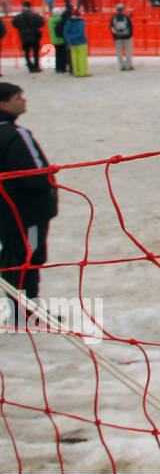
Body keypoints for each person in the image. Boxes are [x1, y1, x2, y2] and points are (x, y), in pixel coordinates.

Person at [0, 84, 58, 310]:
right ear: (3, 105)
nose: (23, 101)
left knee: (14, 253)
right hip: (27, 212)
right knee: (28, 256)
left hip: (7, 210)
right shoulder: (16, 135)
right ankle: (26, 310)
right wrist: (48, 190)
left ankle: (20, 307)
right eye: (18, 98)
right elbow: (36, 174)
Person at [12, 3, 43, 74]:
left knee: (26, 52)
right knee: (36, 52)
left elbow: (14, 24)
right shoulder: (35, 15)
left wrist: (21, 28)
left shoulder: (19, 16)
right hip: (34, 36)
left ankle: (29, 65)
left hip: (24, 37)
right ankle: (36, 66)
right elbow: (41, 23)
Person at [61, 8, 89, 77]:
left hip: (72, 43)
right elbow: (81, 33)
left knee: (74, 57)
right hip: (81, 42)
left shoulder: (68, 22)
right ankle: (82, 72)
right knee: (82, 57)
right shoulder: (81, 22)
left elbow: (65, 32)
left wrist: (69, 41)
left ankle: (76, 72)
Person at [109, 3, 134, 71]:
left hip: (117, 37)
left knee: (119, 52)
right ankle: (129, 65)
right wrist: (130, 35)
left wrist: (114, 36)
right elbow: (131, 27)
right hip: (127, 37)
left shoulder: (113, 18)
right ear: (123, 9)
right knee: (128, 52)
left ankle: (122, 66)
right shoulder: (126, 17)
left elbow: (111, 28)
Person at [48, 8, 67, 74]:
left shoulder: (51, 20)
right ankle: (62, 68)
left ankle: (57, 68)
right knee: (63, 54)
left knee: (57, 54)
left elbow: (49, 29)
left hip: (54, 39)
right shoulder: (61, 19)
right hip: (61, 39)